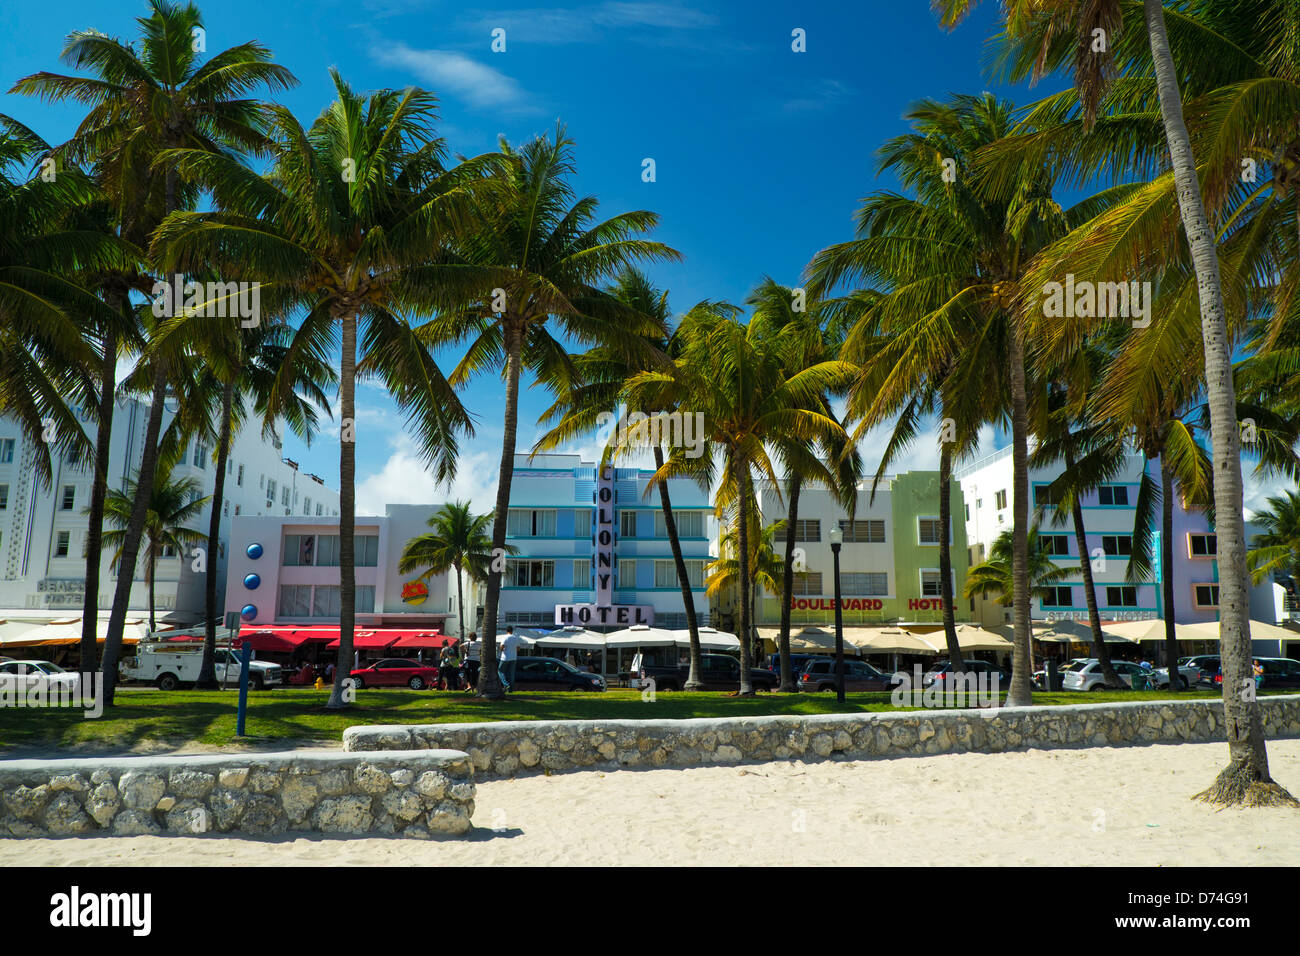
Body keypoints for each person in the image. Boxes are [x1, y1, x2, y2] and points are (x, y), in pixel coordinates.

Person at [498, 626, 522, 692]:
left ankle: (506, 684)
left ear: (506, 631)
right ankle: (510, 689)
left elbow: (502, 647)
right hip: (513, 657)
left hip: (505, 658)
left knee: (500, 671)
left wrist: (502, 649)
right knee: (512, 674)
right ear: (512, 631)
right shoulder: (516, 638)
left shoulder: (505, 637)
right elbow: (518, 648)